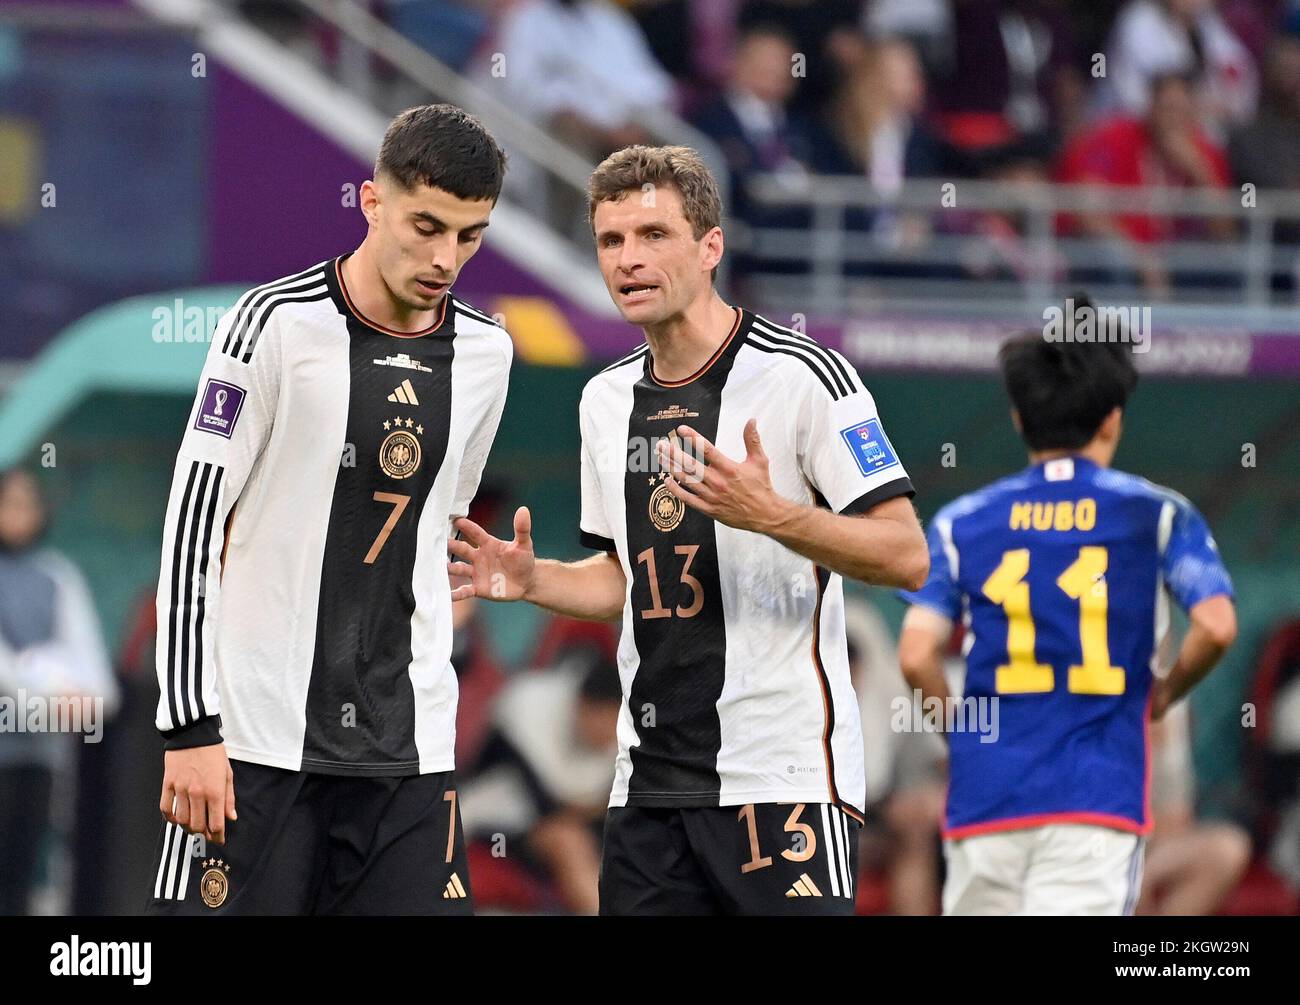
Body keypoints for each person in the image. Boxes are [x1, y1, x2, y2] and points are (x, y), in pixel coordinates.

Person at [449, 144, 928, 915]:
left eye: (653, 235)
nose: (628, 260)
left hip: (782, 783)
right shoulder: (604, 401)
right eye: (612, 241)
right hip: (648, 788)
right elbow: (621, 581)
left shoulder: (805, 377)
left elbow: (908, 554)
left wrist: (774, 514)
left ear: (710, 247)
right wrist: (536, 580)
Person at [146, 104, 512, 915]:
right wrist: (190, 729)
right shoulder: (272, 325)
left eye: (470, 234)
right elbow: (191, 524)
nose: (445, 256)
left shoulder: (489, 354)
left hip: (406, 753)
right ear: (371, 201)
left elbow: (438, 519)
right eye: (426, 225)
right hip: (253, 741)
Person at [897, 302, 1238, 915]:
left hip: (985, 803)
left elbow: (917, 651)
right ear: (1112, 420)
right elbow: (1215, 627)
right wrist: (1164, 692)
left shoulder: (960, 522)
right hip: (1094, 802)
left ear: (1019, 417)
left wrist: (965, 733)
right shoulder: (1158, 515)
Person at [0, 469, 116, 915]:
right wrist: (48, 701)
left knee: (24, 871)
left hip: (38, 759)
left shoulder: (57, 577)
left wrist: (80, 701)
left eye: (28, 503)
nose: (20, 513)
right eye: (10, 502)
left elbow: (99, 685)